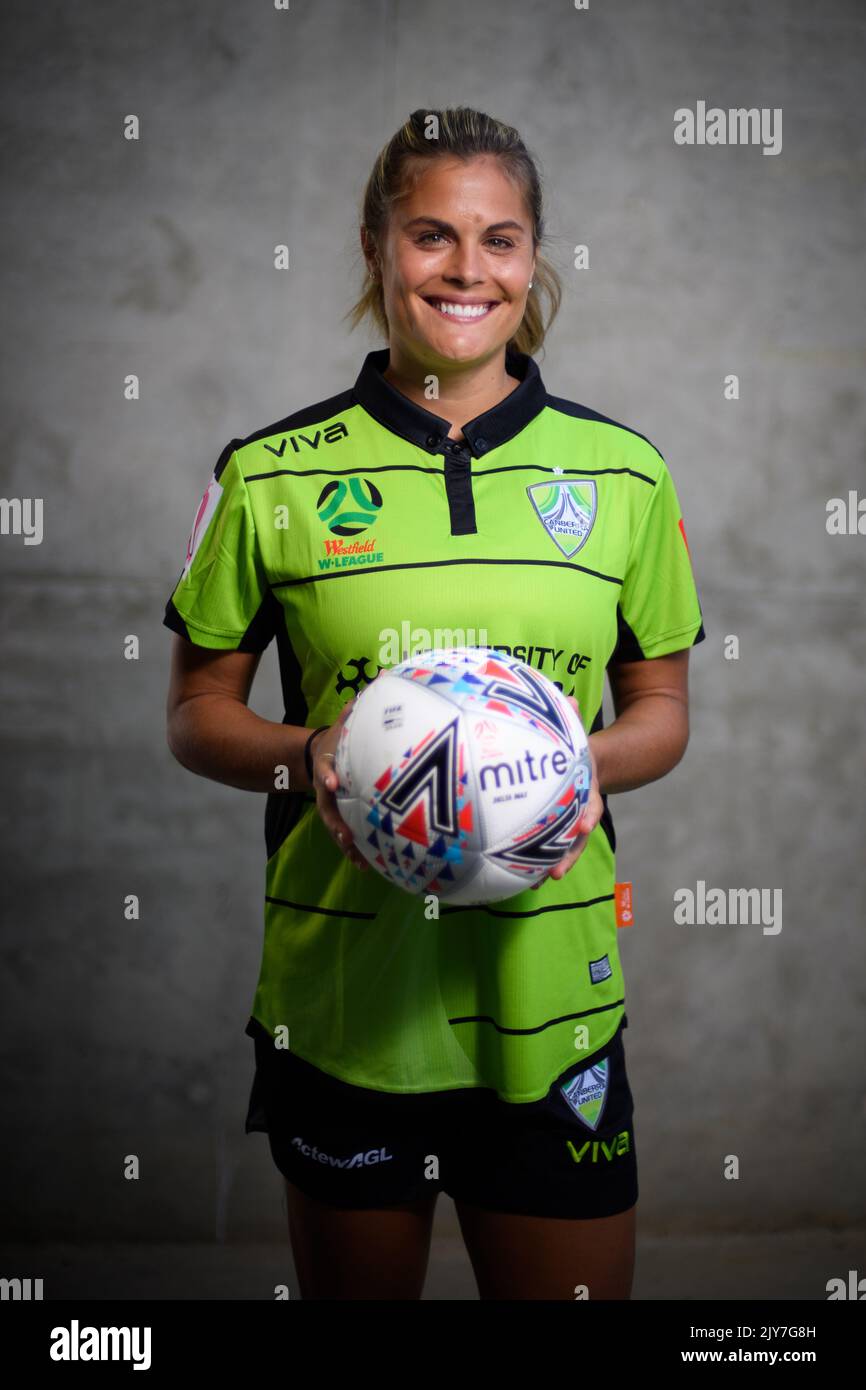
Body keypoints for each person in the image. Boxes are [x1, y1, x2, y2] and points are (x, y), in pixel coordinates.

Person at [163, 106, 705, 1300]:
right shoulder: (270, 472)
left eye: (499, 240)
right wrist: (325, 759)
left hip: (547, 988)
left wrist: (553, 773)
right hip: (348, 997)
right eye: (431, 236)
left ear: (532, 258)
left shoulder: (622, 472)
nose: (467, 271)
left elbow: (660, 705)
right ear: (375, 248)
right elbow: (197, 713)